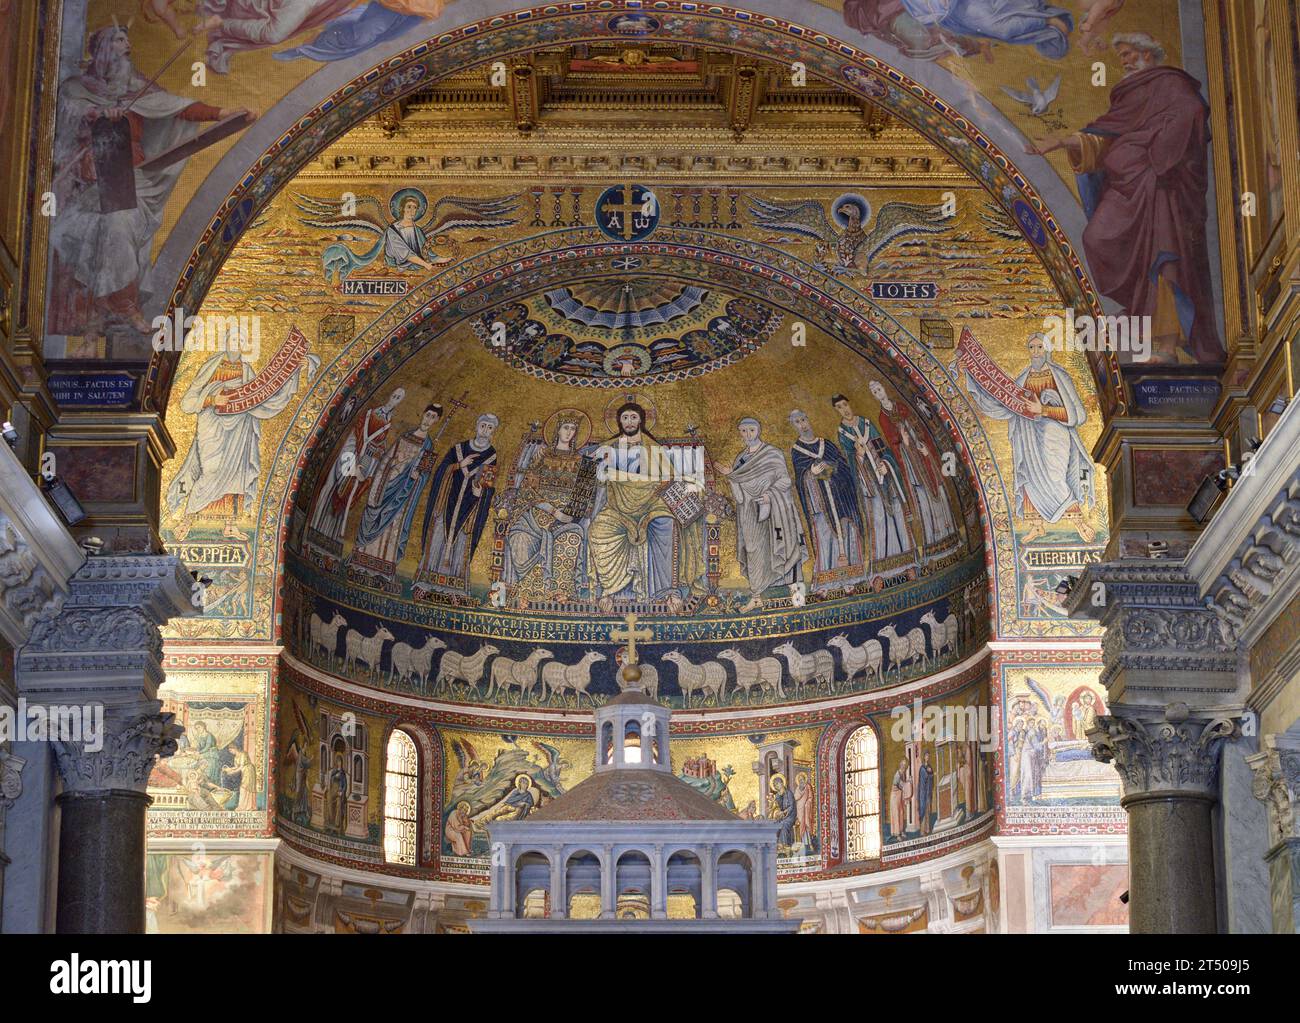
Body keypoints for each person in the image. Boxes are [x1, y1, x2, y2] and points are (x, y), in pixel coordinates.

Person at [49, 24, 255, 338]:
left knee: (125, 227)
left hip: (133, 178)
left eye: (128, 43)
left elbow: (179, 108)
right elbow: (68, 110)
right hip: (91, 178)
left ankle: (123, 303)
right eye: (119, 40)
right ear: (102, 47)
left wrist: (222, 112)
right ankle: (123, 306)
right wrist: (99, 114)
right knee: (115, 226)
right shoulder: (78, 87)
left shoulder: (137, 89)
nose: (126, 47)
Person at [1026, 33, 1221, 364]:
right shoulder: (1133, 93)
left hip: (1158, 189)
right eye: (1123, 57)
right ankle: (1142, 319)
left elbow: (1191, 111)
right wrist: (1061, 143)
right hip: (1127, 189)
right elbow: (1105, 135)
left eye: (1129, 54)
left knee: (1163, 259)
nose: (1126, 62)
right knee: (1097, 237)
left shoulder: (1170, 84)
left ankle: (1165, 344)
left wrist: (1159, 154)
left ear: (1148, 53)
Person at [166, 334, 317, 541]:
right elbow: (187, 402)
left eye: (240, 342)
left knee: (238, 473)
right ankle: (187, 521)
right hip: (213, 428)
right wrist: (211, 399)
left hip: (240, 430)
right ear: (225, 343)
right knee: (211, 471)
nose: (235, 346)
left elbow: (265, 398)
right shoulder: (212, 366)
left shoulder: (247, 371)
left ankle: (230, 525)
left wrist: (293, 370)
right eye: (232, 341)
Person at [955, 334, 1095, 543]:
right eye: (1032, 347)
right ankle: (1036, 526)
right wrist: (970, 373)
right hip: (1027, 435)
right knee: (1028, 476)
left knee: (1055, 475)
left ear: (1047, 349)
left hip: (1053, 432)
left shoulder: (1060, 376)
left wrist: (1044, 410)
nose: (1036, 351)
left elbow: (1079, 415)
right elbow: (1002, 405)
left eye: (1040, 347)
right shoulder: (1023, 378)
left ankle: (1079, 523)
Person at [588, 402, 705, 606]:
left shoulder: (652, 448)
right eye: (625, 417)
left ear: (641, 419)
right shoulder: (609, 448)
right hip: (617, 508)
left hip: (652, 505)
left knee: (665, 525)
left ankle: (668, 591)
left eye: (634, 417)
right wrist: (595, 466)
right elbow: (596, 480)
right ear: (619, 421)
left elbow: (668, 479)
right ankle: (610, 589)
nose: (630, 421)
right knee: (598, 530)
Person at [715, 418, 805, 611]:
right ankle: (756, 597)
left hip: (775, 511)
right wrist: (731, 476)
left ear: (759, 430)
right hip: (749, 513)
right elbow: (739, 497)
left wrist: (768, 495)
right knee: (754, 551)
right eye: (744, 431)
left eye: (751, 430)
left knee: (782, 545)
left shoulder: (772, 454)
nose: (748, 434)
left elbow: (785, 480)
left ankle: (797, 593)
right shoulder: (740, 459)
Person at [349, 403, 442, 582]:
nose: (428, 419)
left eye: (433, 417)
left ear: (436, 421)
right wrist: (393, 469)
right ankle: (361, 562)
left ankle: (383, 569)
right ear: (423, 414)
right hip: (387, 485)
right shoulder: (404, 436)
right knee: (375, 516)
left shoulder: (428, 446)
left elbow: (424, 475)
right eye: (427, 414)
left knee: (393, 527)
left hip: (403, 494)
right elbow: (386, 459)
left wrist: (417, 476)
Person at [308, 387, 406, 548]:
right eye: (394, 395)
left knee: (347, 498)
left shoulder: (389, 425)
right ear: (389, 395)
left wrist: (366, 471)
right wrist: (352, 464)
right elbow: (353, 437)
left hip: (364, 465)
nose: (394, 398)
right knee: (334, 489)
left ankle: (331, 541)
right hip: (350, 457)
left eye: (398, 398)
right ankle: (316, 533)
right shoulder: (368, 415)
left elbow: (379, 451)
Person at [414, 413, 499, 593]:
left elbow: (487, 485)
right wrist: (459, 465)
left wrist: (481, 491)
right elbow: (440, 472)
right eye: (483, 425)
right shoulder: (458, 449)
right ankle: (427, 581)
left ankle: (453, 587)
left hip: (469, 508)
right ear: (477, 426)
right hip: (447, 502)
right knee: (438, 534)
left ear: (493, 432)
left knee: (461, 541)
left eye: (490, 428)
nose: (485, 430)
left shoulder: (491, 456)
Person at [868, 380, 956, 550]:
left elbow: (918, 426)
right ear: (874, 396)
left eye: (879, 389)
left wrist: (924, 447)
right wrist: (901, 439)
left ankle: (950, 533)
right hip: (909, 461)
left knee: (938, 488)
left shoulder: (900, 406)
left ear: (884, 388)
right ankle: (932, 541)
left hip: (922, 453)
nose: (879, 393)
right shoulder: (882, 417)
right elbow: (892, 441)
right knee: (921, 495)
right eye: (875, 392)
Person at [833, 394, 914, 574]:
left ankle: (909, 562)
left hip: (885, 477)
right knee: (878, 519)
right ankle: (883, 568)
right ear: (836, 410)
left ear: (849, 404)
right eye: (839, 407)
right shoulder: (843, 434)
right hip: (868, 484)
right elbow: (848, 463)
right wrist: (859, 456)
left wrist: (886, 464)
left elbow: (883, 448)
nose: (844, 409)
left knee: (898, 514)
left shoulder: (867, 424)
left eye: (845, 404)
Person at [789, 409, 866, 591]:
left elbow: (845, 467)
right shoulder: (797, 451)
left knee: (846, 536)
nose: (802, 424)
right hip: (820, 506)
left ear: (809, 419)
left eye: (803, 419)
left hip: (840, 501)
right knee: (824, 538)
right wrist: (810, 474)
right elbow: (799, 480)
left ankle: (850, 579)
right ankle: (825, 581)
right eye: (797, 422)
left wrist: (831, 469)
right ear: (794, 426)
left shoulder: (827, 445)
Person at [767, 774, 798, 849]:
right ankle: (774, 847)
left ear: (781, 783)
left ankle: (785, 846)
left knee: (783, 825)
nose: (775, 786)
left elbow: (791, 806)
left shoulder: (789, 793)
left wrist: (783, 812)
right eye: (774, 785)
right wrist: (773, 808)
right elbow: (776, 807)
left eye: (776, 784)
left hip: (790, 816)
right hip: (781, 816)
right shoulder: (777, 795)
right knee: (773, 825)